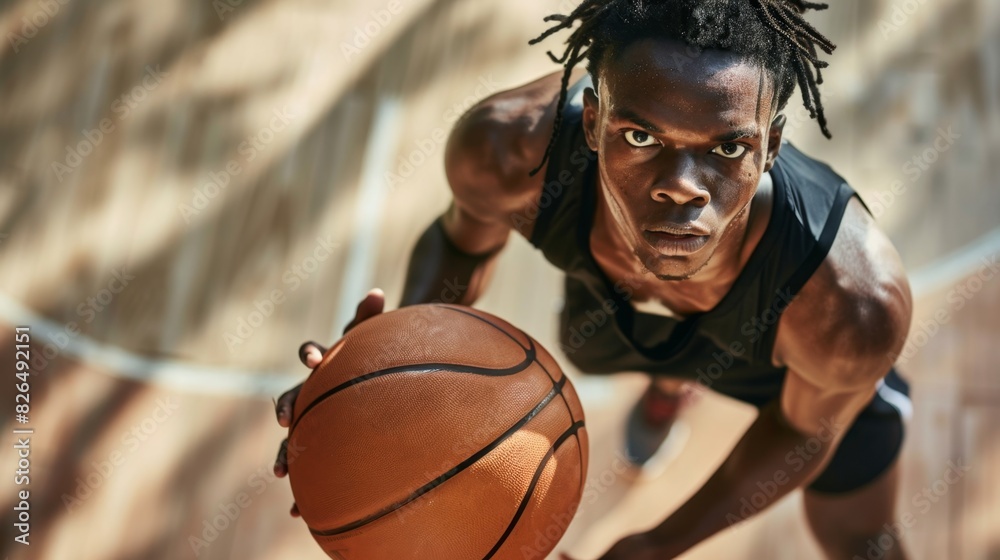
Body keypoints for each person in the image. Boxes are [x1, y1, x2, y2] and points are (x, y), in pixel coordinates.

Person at [275, 1, 915, 558]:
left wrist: (658, 544)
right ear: (590, 122)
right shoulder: (506, 151)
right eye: (639, 136)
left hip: (786, 367)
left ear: (770, 146)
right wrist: (383, 376)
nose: (681, 187)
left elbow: (803, 430)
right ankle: (671, 384)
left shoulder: (847, 307)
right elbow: (459, 247)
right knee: (596, 349)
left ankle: (676, 381)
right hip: (612, 321)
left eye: (726, 149)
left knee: (863, 544)